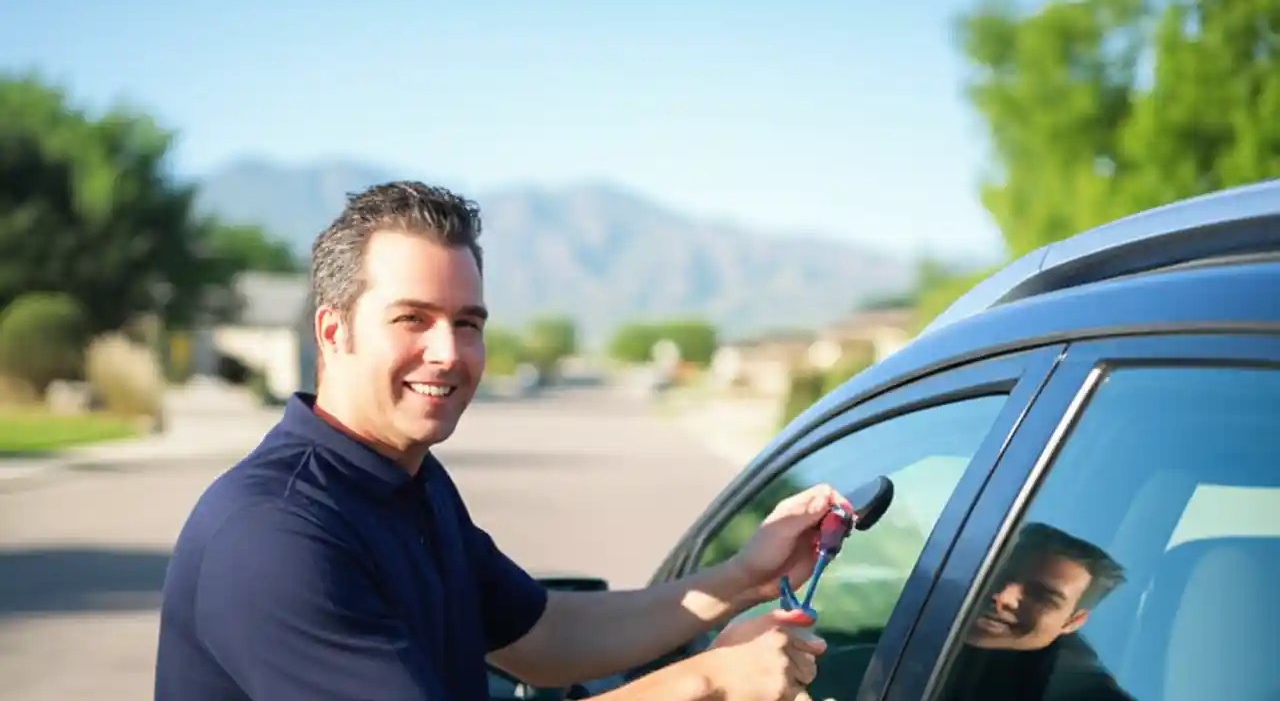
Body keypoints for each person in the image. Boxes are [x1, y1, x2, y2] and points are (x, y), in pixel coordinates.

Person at [155, 181, 846, 701]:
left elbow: (545, 637)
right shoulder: (276, 532)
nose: (448, 353)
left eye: (467, 323)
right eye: (412, 318)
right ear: (333, 331)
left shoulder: (407, 482)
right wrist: (714, 681)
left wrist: (746, 578)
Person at [941, 522, 1133, 701]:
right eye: (997, 574)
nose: (1003, 597)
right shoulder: (924, 595)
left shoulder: (1079, 690)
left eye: (1041, 597)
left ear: (1073, 622)